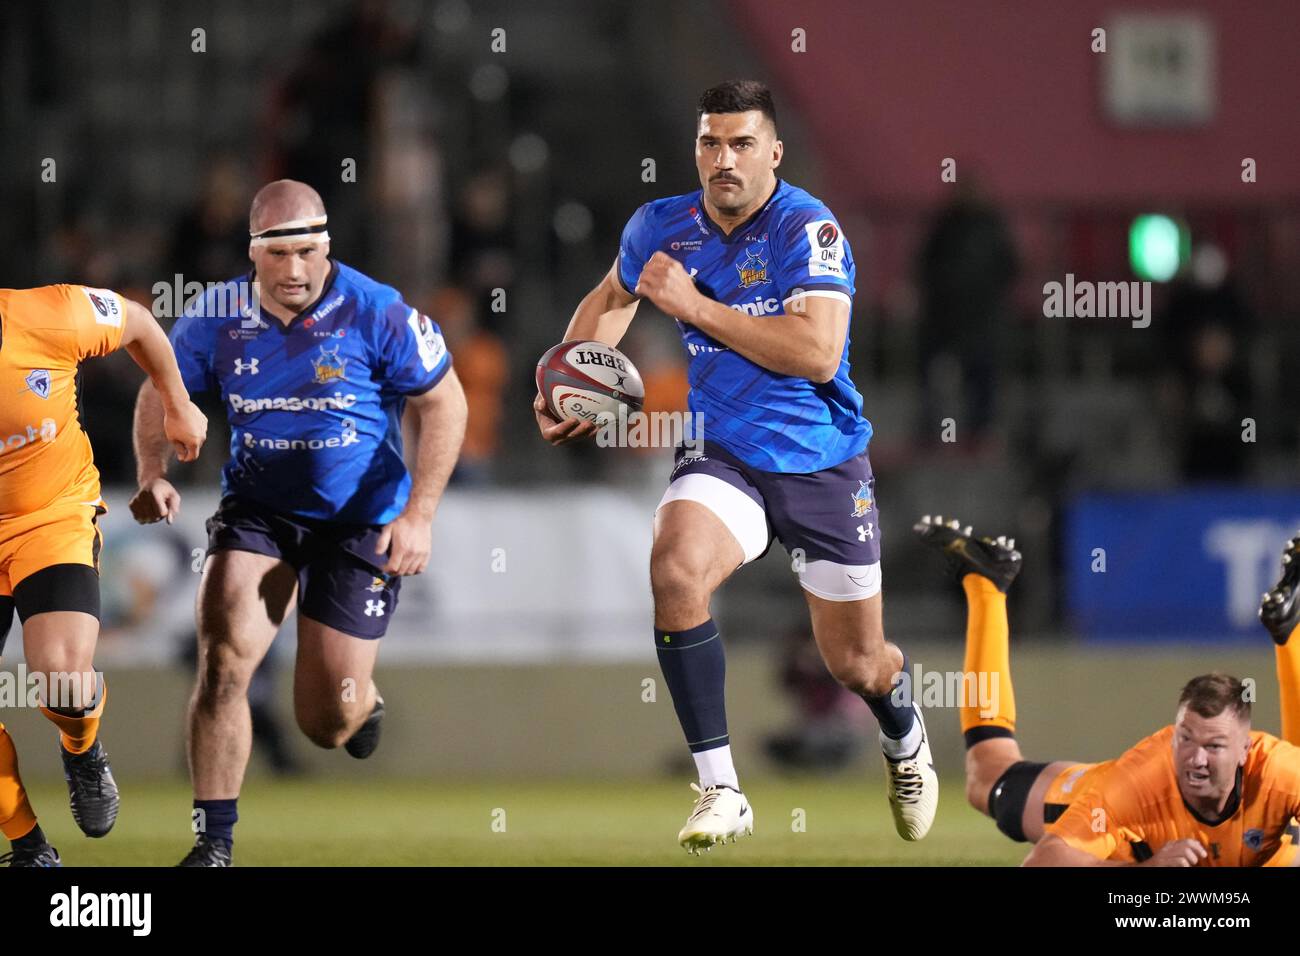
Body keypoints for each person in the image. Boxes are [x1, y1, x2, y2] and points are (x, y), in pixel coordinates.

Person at [534, 80, 937, 853]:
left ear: (774, 153)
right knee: (675, 569)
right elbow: (615, 293)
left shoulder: (807, 229)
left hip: (822, 463)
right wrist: (567, 376)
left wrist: (692, 307)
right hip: (722, 449)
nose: (723, 159)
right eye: (709, 143)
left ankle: (902, 732)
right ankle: (721, 787)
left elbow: (817, 353)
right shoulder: (662, 225)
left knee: (857, 662)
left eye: (742, 143)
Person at [130, 180, 466, 866]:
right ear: (253, 253)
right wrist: (151, 473)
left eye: (307, 253)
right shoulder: (216, 315)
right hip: (260, 512)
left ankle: (361, 701)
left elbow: (446, 403)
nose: (292, 271)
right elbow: (157, 386)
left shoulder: (378, 311)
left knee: (325, 722)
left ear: (327, 247)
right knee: (223, 661)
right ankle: (212, 845)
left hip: (358, 522)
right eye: (276, 255)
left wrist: (421, 514)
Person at [914, 514, 1300, 866]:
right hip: (1106, 813)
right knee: (986, 778)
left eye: (1214, 747)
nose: (1197, 759)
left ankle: (1290, 636)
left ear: (1245, 751)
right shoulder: (1139, 781)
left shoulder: (1280, 774)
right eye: (1187, 739)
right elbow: (1040, 865)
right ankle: (986, 587)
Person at [0, 284, 206, 866]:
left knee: (62, 675)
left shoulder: (52, 314)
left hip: (51, 516)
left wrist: (176, 403)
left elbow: (139, 322)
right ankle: (29, 849)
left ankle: (82, 750)